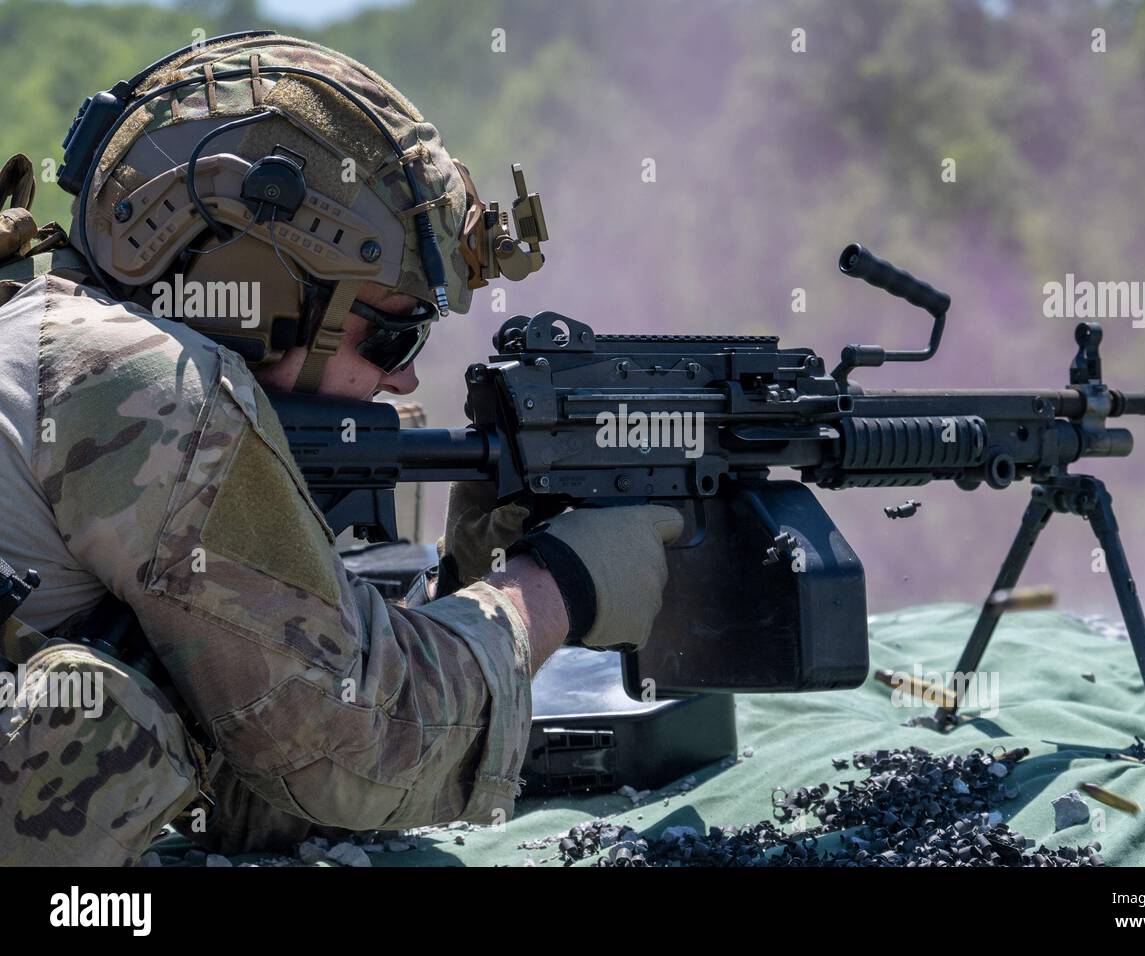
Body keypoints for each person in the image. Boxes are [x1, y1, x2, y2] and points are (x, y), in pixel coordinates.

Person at [0, 32, 680, 865]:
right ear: (263, 292)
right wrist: (559, 585)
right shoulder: (139, 380)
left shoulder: (42, 337)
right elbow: (355, 747)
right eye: (393, 335)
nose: (402, 381)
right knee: (95, 735)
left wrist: (461, 581)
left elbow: (259, 754)